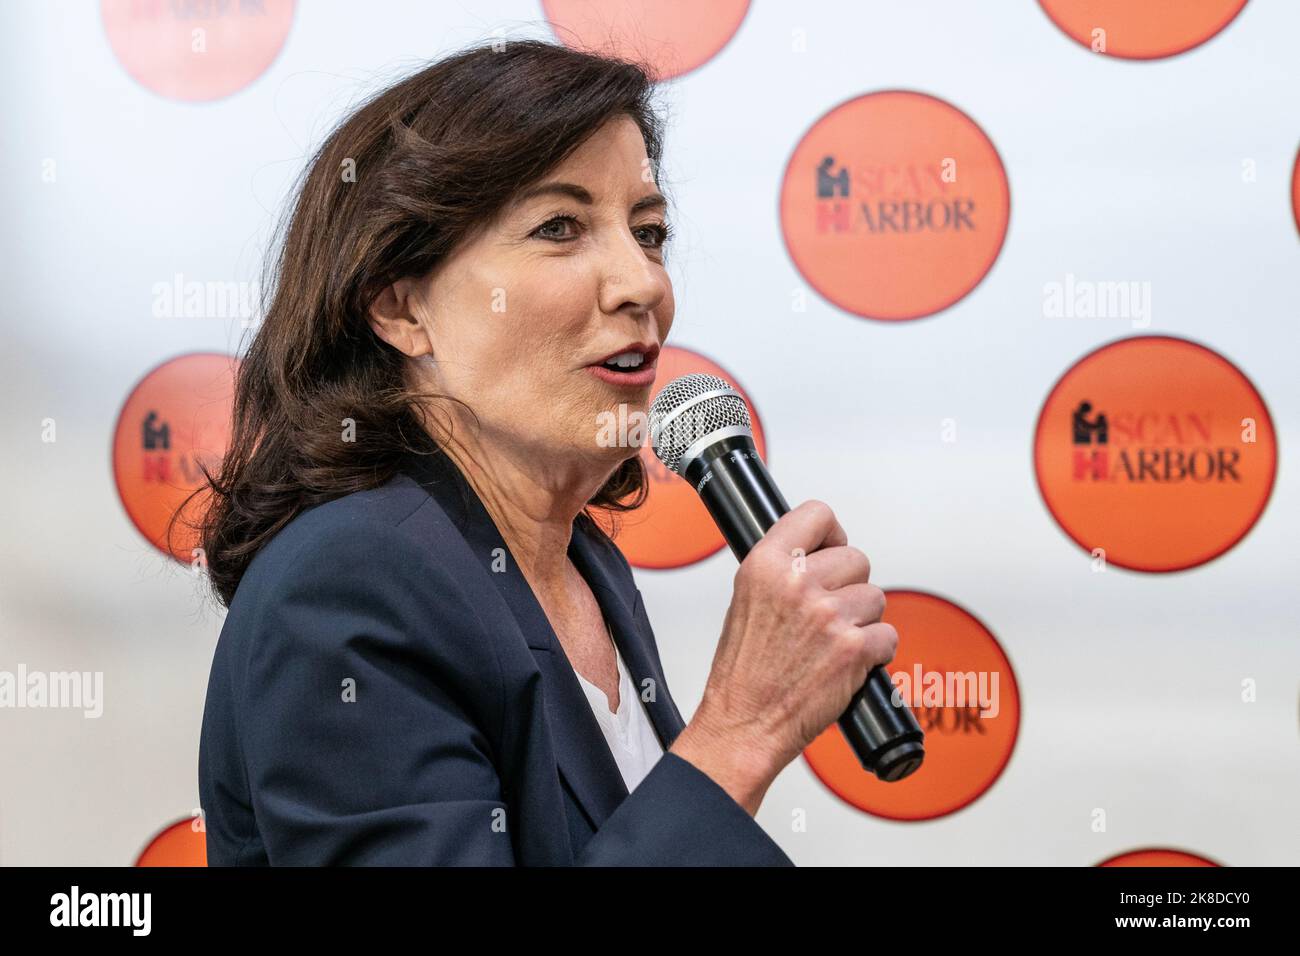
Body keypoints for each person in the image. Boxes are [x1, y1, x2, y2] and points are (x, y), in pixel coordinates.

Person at [191, 39, 897, 866]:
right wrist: (741, 731)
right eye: (560, 228)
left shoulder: (586, 571)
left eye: (649, 231)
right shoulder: (347, 583)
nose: (642, 284)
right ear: (401, 307)